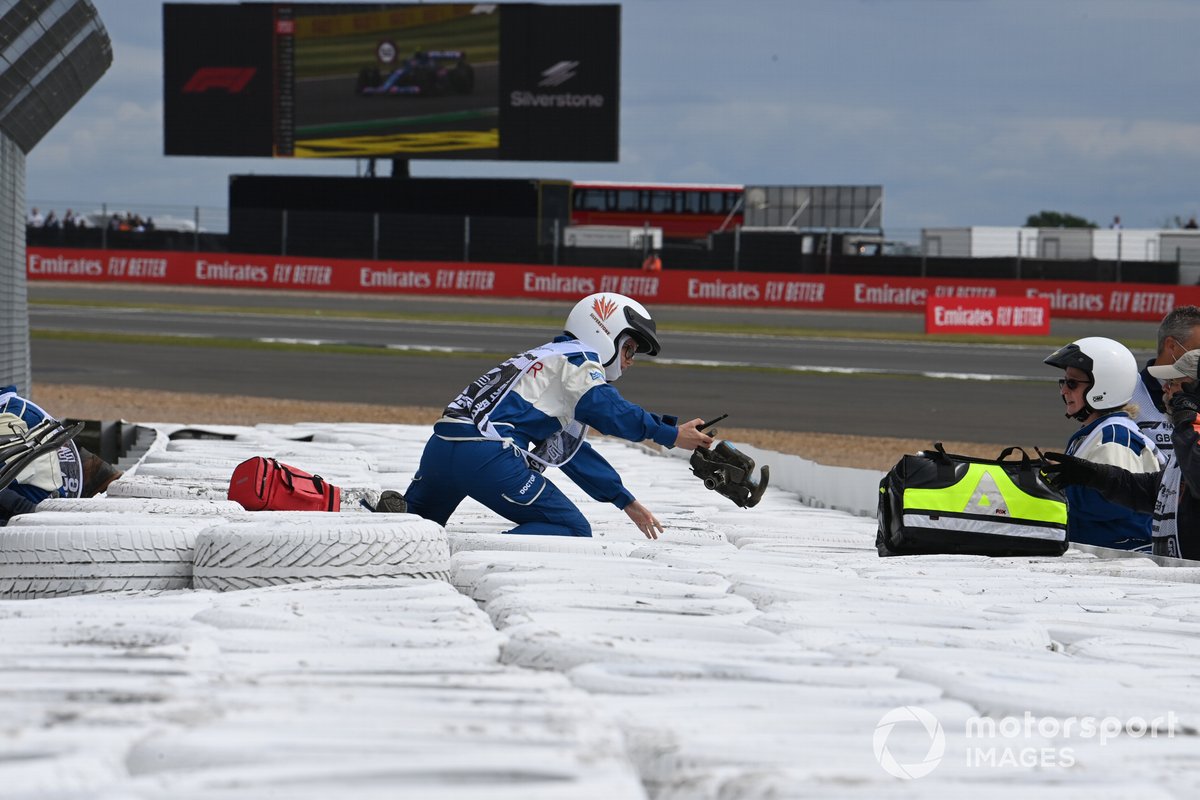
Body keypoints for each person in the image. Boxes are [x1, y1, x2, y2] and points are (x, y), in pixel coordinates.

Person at [373, 292, 714, 538]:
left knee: (412, 534)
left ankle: (383, 524)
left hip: (441, 447)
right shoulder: (579, 360)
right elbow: (611, 413)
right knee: (571, 529)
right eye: (628, 348)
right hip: (485, 456)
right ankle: (472, 556)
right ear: (603, 332)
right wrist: (670, 434)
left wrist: (626, 502)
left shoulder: (545, 358)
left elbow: (572, 452)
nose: (629, 361)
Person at [1043, 349, 1200, 560]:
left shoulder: (1119, 434)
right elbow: (1155, 491)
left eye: (1174, 384)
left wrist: (1189, 421)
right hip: (1176, 578)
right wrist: (1094, 476)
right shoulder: (1185, 441)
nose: (1166, 388)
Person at [1042, 337, 1162, 551]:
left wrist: (1055, 491)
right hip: (1105, 555)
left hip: (1118, 561)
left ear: (1103, 388)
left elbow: (1113, 502)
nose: (1064, 391)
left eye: (1072, 383)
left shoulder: (1114, 438)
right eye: (1063, 382)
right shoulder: (1102, 431)